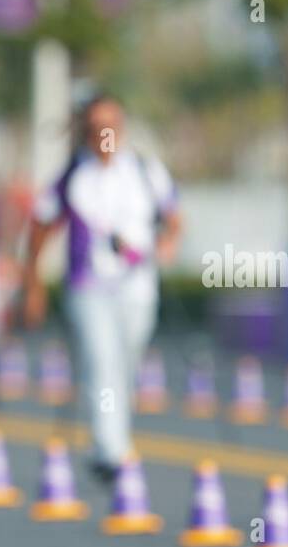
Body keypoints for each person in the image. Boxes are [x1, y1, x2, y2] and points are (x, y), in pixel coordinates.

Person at [22, 93, 182, 483]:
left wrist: (166, 243)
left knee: (125, 362)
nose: (104, 135)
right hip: (88, 285)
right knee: (102, 360)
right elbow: (41, 226)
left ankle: (111, 438)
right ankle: (111, 450)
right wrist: (33, 283)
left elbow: (173, 219)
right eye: (96, 128)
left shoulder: (145, 170)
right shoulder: (74, 175)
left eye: (111, 126)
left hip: (137, 285)